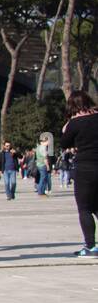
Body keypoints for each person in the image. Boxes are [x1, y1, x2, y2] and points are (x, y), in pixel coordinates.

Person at [59, 91, 98, 256]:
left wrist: (66, 128)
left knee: (85, 208)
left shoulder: (75, 123)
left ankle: (90, 246)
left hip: (85, 167)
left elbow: (64, 143)